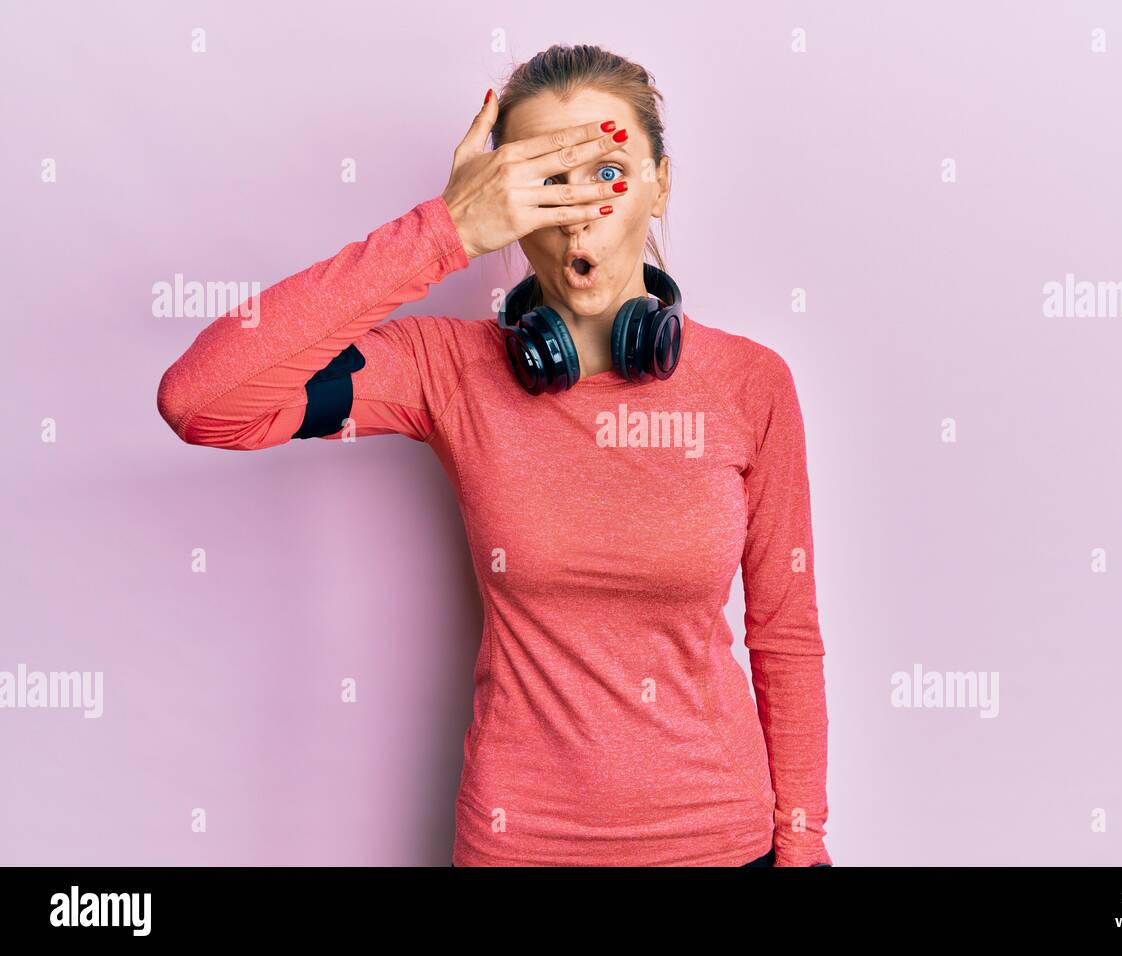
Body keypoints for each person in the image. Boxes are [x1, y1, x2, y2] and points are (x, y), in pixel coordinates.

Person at [157, 44, 832, 867]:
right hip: (519, 845)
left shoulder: (751, 384)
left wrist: (802, 849)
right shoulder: (448, 371)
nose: (581, 210)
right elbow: (203, 403)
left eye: (609, 170)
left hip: (720, 845)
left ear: (661, 183)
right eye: (549, 180)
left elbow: (786, 636)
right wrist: (443, 232)